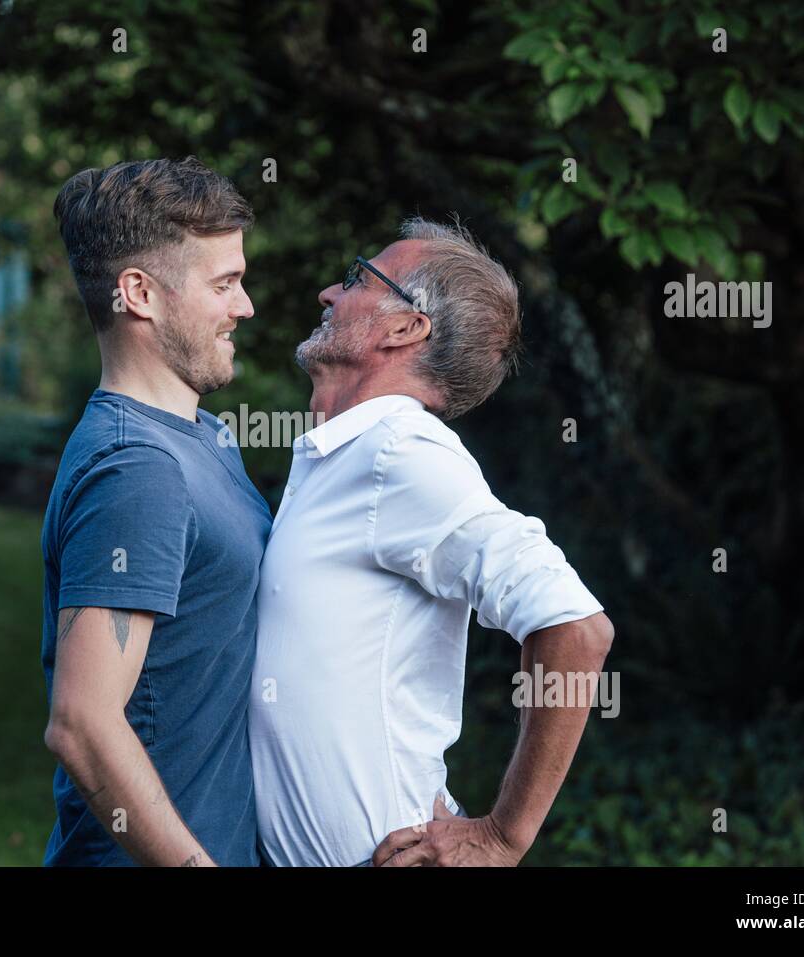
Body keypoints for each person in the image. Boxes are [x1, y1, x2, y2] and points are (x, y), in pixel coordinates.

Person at [249, 217, 615, 867]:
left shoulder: (399, 450)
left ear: (405, 327)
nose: (330, 292)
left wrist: (503, 835)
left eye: (360, 277)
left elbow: (577, 627)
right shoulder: (346, 453)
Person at [40, 157, 268, 866]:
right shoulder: (140, 470)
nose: (245, 306)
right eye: (224, 283)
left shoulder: (201, 438)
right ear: (138, 293)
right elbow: (81, 720)